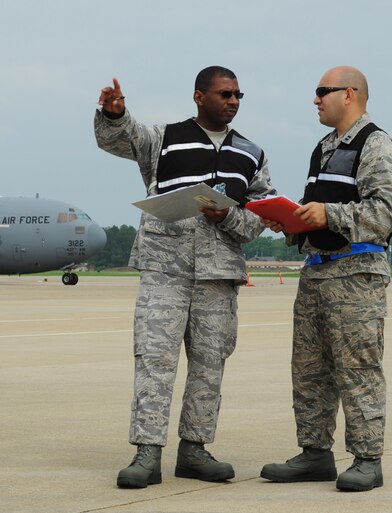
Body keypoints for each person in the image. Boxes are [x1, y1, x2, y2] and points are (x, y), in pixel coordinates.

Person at [95, 67, 275, 488]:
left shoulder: (252, 153)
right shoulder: (163, 138)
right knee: (154, 359)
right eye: (225, 94)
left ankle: (194, 449)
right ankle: (146, 453)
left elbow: (261, 217)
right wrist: (114, 114)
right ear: (199, 97)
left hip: (219, 273)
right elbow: (120, 139)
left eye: (238, 95)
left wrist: (229, 214)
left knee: (210, 364)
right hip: (165, 269)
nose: (233, 101)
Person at [259, 66, 392, 492]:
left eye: (323, 91)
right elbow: (316, 213)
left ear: (351, 93)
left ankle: (367, 459)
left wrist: (330, 213)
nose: (316, 99)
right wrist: (290, 222)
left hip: (356, 275)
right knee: (308, 370)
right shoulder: (323, 148)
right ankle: (314, 454)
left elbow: (386, 212)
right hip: (315, 272)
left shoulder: (376, 144)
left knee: (357, 367)